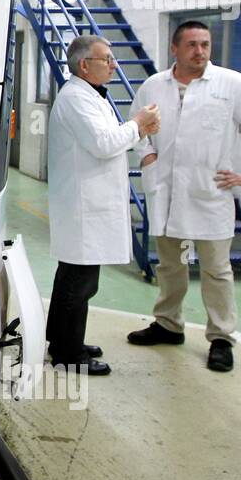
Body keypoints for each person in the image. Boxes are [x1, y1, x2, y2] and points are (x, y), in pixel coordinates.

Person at [128, 20, 241, 372]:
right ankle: (168, 324)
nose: (200, 52)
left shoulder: (232, 85)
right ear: (175, 49)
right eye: (192, 45)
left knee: (216, 270)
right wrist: (146, 154)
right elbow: (135, 124)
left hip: (210, 193)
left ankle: (221, 338)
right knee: (170, 265)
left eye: (205, 45)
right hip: (166, 192)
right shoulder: (155, 85)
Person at [46, 34, 161, 376]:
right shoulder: (76, 98)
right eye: (106, 59)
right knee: (79, 282)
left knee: (75, 278)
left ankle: (62, 340)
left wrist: (137, 128)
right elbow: (103, 143)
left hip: (87, 204)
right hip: (83, 206)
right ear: (84, 65)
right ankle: (67, 354)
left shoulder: (89, 95)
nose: (114, 65)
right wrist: (138, 125)